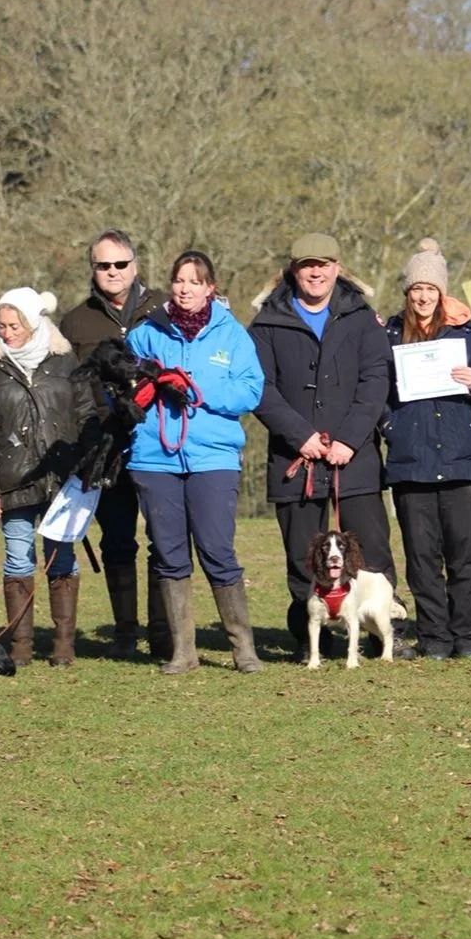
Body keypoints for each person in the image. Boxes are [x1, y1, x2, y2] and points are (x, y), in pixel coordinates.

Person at [251, 232, 413, 661]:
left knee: (372, 551)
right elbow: (260, 388)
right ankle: (311, 640)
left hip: (353, 459)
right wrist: (299, 435)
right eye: (307, 265)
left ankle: (389, 634)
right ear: (294, 270)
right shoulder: (267, 323)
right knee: (303, 555)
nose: (316, 272)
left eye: (324, 264)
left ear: (338, 268)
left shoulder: (361, 318)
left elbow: (376, 380)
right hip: (294, 460)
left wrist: (349, 439)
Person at [126, 250, 265, 673]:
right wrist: (143, 391)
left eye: (194, 281)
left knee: (217, 549)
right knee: (168, 553)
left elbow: (251, 391)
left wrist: (196, 388)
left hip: (213, 456)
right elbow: (121, 383)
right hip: (154, 456)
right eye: (179, 281)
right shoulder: (147, 332)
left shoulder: (233, 335)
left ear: (210, 288)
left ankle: (243, 648)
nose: (185, 289)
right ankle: (182, 652)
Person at [0, 288, 96, 668]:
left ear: (33, 322)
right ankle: (21, 645)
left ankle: (63, 645)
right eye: (1, 325)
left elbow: (86, 414)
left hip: (63, 479)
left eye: (14, 325)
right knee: (18, 558)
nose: (6, 332)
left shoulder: (65, 361)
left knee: (62, 558)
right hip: (13, 481)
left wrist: (87, 466)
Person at [381, 239, 471, 660]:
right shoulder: (389, 334)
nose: (424, 296)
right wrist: (391, 427)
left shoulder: (463, 332)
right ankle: (435, 638)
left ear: (442, 292)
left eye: (431, 288)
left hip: (460, 460)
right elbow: (378, 393)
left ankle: (468, 638)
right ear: (407, 293)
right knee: (422, 558)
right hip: (412, 463)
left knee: (468, 557)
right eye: (416, 289)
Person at [59, 229, 169, 658]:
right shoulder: (75, 322)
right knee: (118, 540)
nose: (112, 272)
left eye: (120, 264)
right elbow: (70, 389)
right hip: (105, 446)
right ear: (93, 270)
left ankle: (163, 633)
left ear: (135, 266)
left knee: (166, 539)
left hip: (158, 440)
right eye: (103, 265)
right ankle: (126, 633)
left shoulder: (163, 307)